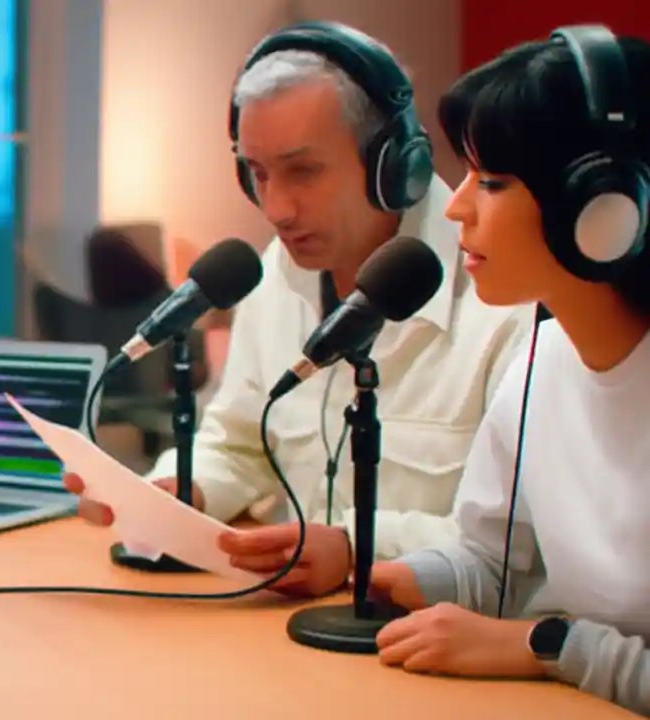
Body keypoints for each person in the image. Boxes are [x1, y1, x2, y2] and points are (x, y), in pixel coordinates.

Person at [65, 21, 533, 597]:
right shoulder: (276, 278)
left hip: (423, 638)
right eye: (258, 174)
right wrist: (182, 491)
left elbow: (519, 545)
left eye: (303, 171)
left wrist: (357, 547)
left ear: (395, 166)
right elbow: (237, 443)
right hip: (282, 631)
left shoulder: (509, 301)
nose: (277, 208)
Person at [368, 25, 650, 715]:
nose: (456, 206)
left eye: (490, 181)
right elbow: (493, 565)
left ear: (603, 207)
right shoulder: (543, 359)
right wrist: (369, 571)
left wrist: (545, 646)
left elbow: (529, 630)